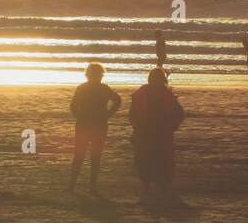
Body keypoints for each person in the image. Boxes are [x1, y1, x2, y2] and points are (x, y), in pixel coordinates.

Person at [129, 67, 185, 197]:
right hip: (153, 130)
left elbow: (133, 113)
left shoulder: (148, 93)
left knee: (149, 157)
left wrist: (173, 126)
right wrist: (173, 126)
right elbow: (179, 113)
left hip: (155, 130)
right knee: (157, 157)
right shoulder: (162, 93)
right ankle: (159, 184)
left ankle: (153, 184)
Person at [68, 63, 121, 194]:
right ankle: (91, 186)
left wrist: (78, 116)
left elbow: (73, 106)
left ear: (87, 75)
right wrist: (108, 114)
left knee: (79, 156)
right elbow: (117, 100)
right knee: (95, 156)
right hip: (99, 124)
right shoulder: (103, 88)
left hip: (84, 124)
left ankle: (72, 186)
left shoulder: (82, 88)